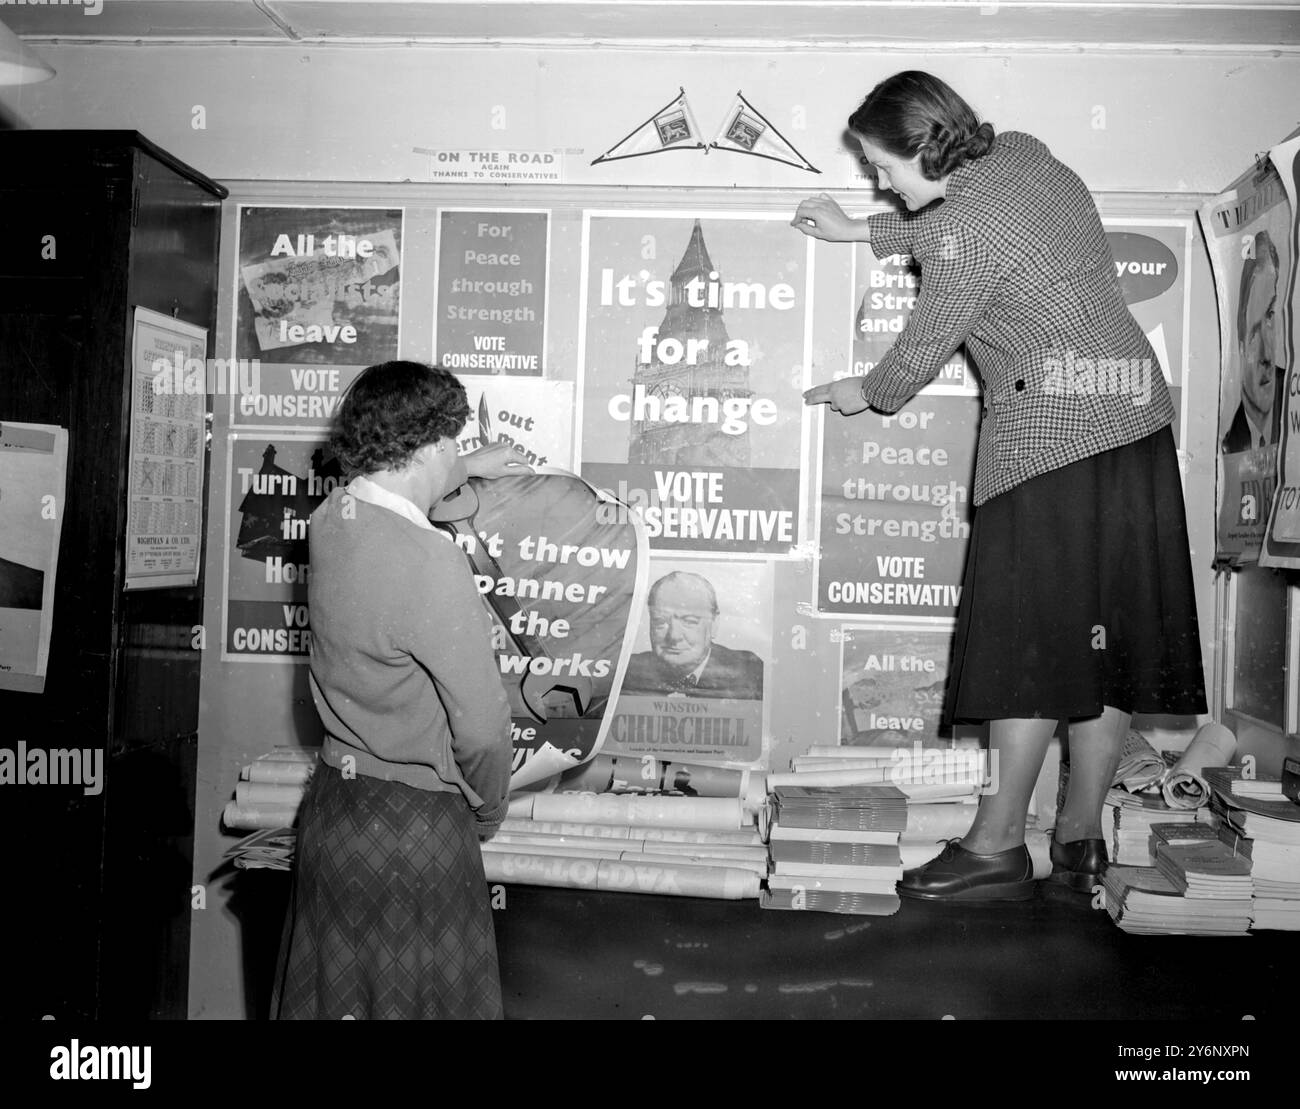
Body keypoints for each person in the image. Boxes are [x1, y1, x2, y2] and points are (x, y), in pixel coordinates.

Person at [794, 71, 1207, 901]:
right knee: (1106, 633)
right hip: (1134, 427)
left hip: (1051, 444)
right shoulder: (1024, 156)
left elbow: (915, 353)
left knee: (1032, 640)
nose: (879, 182)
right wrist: (864, 233)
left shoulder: (960, 233)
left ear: (922, 148)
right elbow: (970, 226)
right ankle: (1082, 835)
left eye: (881, 166)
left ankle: (995, 844)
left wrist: (857, 391)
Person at [272, 360, 530, 1019]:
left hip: (335, 812)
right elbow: (481, 727)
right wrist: (489, 811)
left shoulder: (333, 516)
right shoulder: (431, 558)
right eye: (451, 444)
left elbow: (395, 483)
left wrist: (468, 463)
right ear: (437, 446)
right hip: (413, 832)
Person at [621, 571, 764, 699]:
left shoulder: (749, 674)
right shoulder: (625, 673)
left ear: (714, 623)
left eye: (689, 621)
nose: (674, 636)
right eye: (660, 621)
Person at [1221, 230, 1282, 453]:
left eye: (1270, 314)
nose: (1267, 355)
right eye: (1254, 333)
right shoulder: (1227, 442)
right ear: (1239, 343)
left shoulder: (1290, 400)